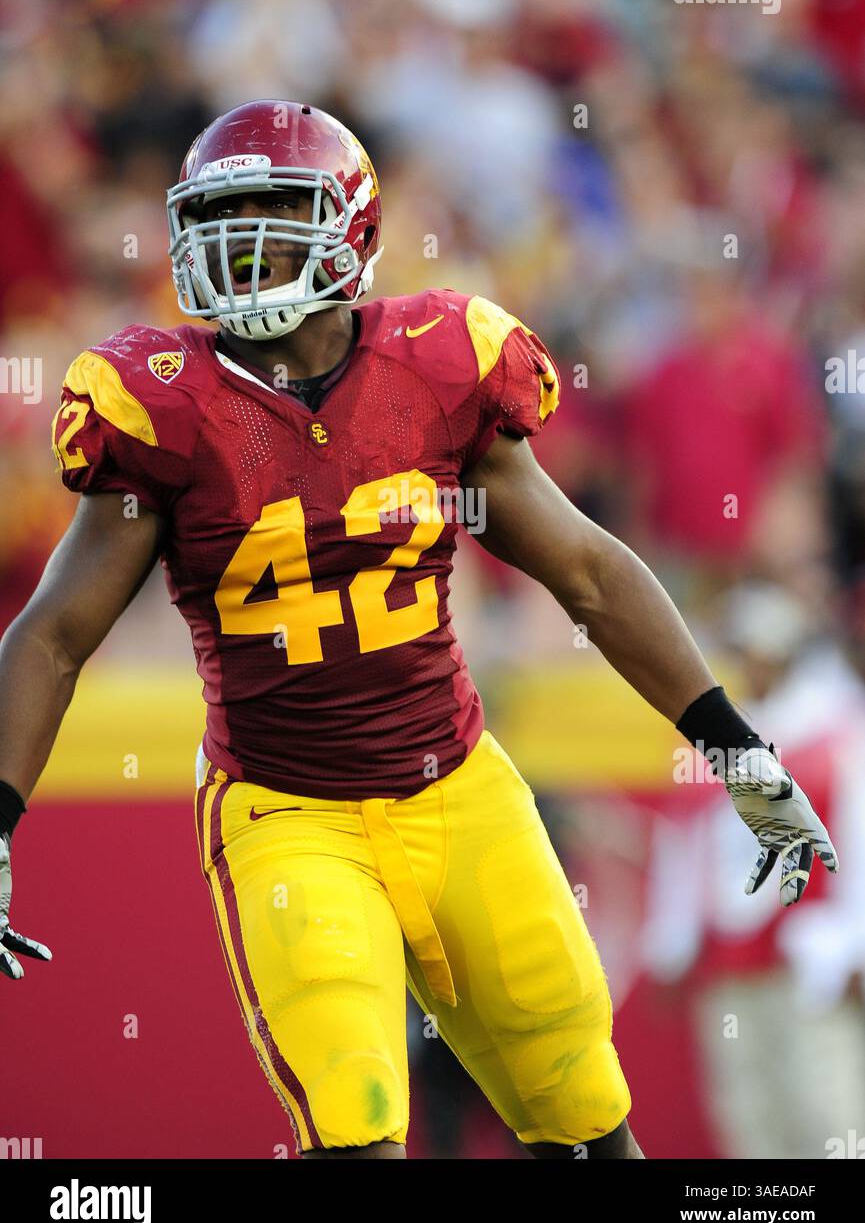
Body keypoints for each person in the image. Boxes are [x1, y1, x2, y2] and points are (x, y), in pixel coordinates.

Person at [0, 101, 838, 1160]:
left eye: (273, 205)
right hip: (286, 809)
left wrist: (731, 745)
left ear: (348, 226)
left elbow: (584, 569)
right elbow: (53, 633)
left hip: (458, 790)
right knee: (354, 1128)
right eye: (223, 211)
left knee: (584, 1124)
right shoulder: (163, 402)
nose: (242, 237)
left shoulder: (439, 363)